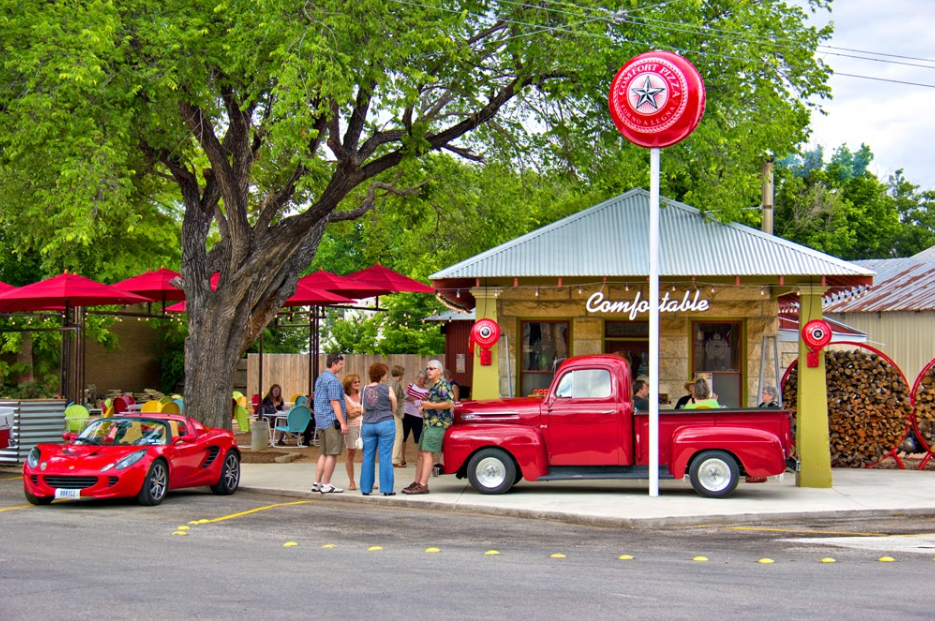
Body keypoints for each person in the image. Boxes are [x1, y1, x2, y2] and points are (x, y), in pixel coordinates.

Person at [403, 360, 454, 495]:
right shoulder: (434, 386)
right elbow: (432, 403)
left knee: (427, 453)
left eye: (431, 368)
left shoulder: (443, 384)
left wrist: (431, 406)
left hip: (437, 425)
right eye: (427, 368)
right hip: (428, 423)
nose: (428, 371)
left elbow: (449, 403)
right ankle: (417, 482)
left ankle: (423, 484)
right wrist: (424, 407)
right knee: (421, 454)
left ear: (439, 371)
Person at [360, 362, 398, 496]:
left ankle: (365, 488)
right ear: (382, 375)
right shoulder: (387, 389)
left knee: (368, 456)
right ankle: (387, 489)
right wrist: (390, 411)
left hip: (368, 424)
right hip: (385, 422)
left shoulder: (364, 389)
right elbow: (394, 405)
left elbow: (362, 409)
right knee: (385, 457)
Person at [311, 353, 347, 494]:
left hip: (320, 420)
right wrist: (342, 423)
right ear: (334, 364)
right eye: (340, 364)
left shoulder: (320, 379)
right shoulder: (333, 381)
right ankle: (326, 484)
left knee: (324, 453)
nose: (342, 367)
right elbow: (334, 402)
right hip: (331, 420)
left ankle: (317, 482)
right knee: (332, 453)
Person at [401, 370, 429, 467]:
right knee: (403, 437)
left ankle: (419, 460)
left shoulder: (427, 391)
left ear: (426, 380)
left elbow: (422, 403)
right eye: (419, 377)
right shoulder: (410, 385)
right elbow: (405, 396)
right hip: (406, 413)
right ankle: (402, 459)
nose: (420, 380)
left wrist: (413, 399)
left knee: (418, 438)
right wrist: (417, 400)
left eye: (422, 378)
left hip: (418, 416)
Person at [343, 374, 364, 491]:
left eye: (358, 381)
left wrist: (357, 410)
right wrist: (360, 410)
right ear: (349, 384)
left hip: (364, 426)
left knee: (367, 454)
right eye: (354, 382)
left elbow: (367, 410)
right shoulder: (345, 397)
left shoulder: (362, 395)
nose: (357, 384)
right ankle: (352, 481)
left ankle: (367, 480)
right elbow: (349, 414)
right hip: (352, 427)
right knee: (351, 453)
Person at [388, 365, 407, 467]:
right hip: (395, 413)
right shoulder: (394, 384)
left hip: (392, 413)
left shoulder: (391, 382)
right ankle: (395, 459)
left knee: (395, 436)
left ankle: (394, 458)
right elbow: (392, 398)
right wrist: (394, 410)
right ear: (400, 374)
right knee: (399, 436)